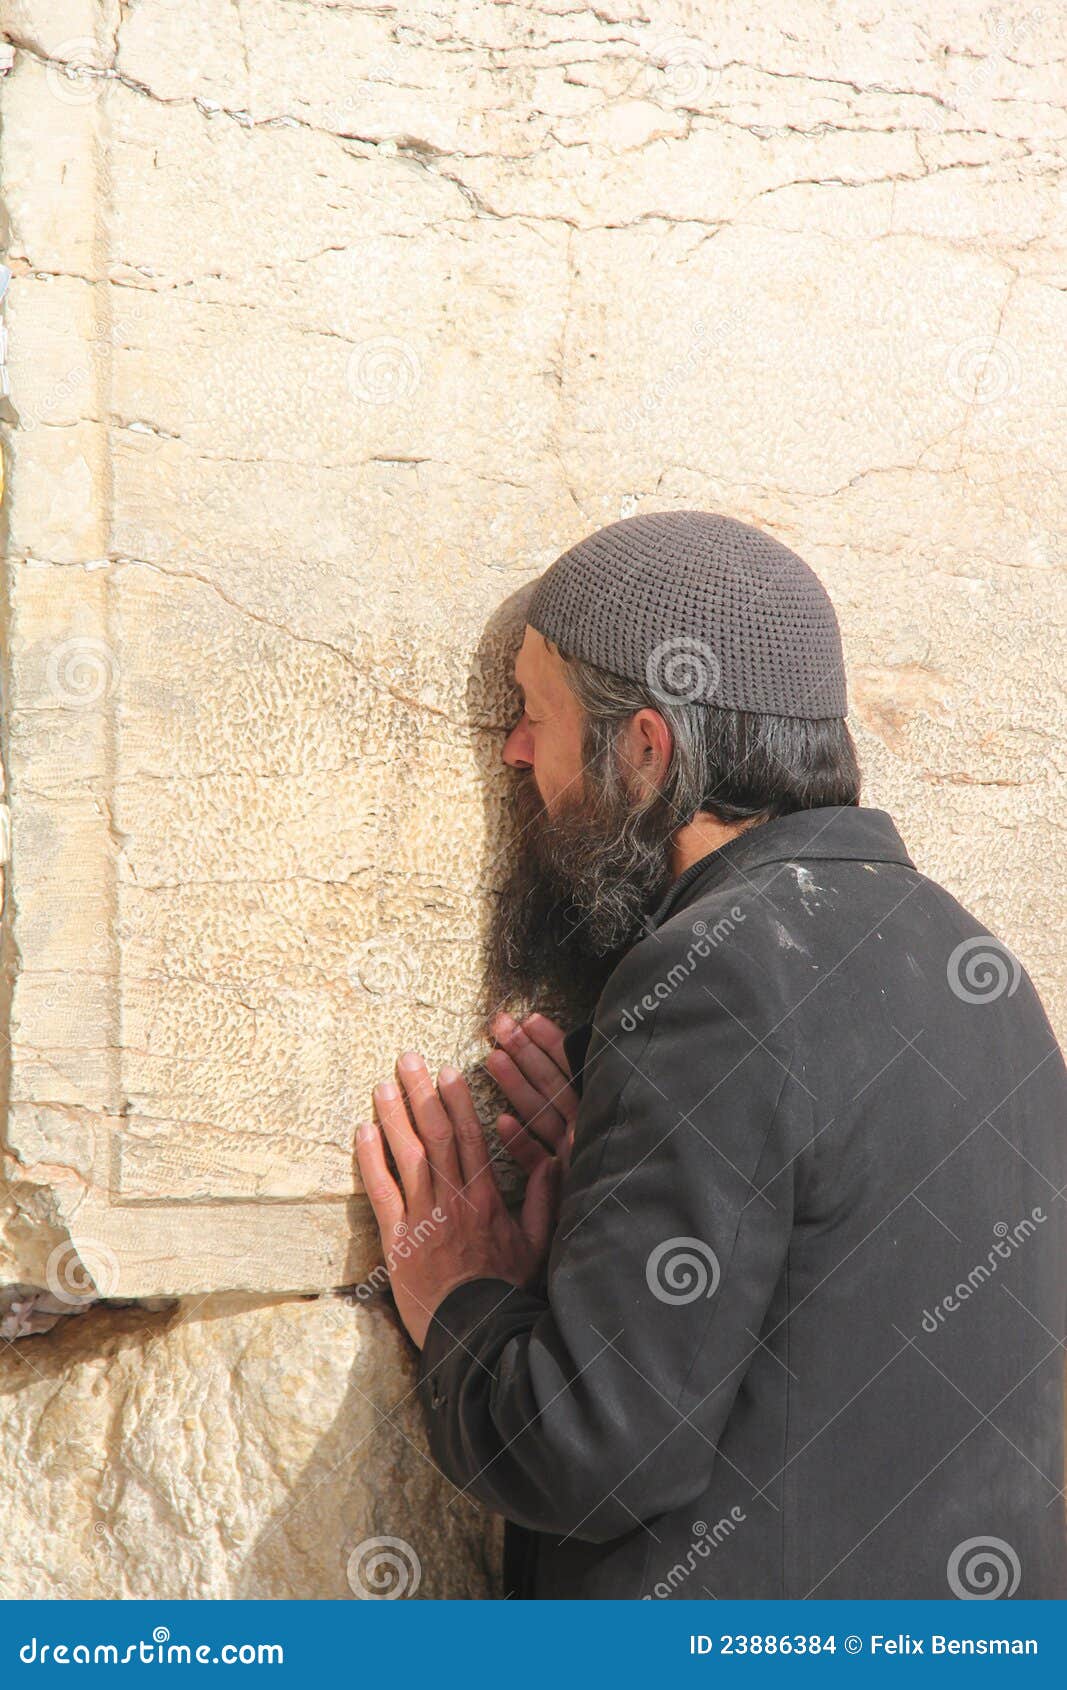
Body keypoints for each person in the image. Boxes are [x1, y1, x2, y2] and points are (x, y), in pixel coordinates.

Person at [355, 510, 1067, 1599]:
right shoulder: (977, 968)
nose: (512, 751)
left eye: (533, 713)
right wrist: (624, 1167)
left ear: (646, 749)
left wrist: (460, 1292)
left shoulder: (717, 976)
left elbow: (590, 1449)